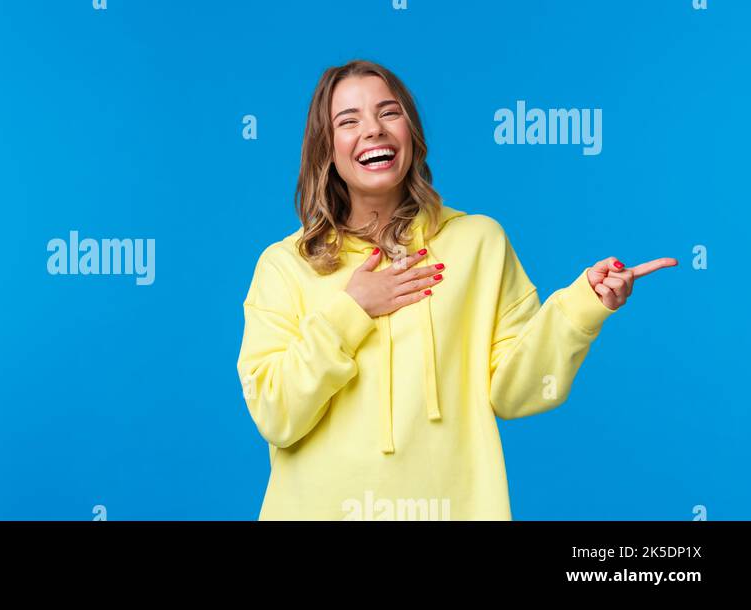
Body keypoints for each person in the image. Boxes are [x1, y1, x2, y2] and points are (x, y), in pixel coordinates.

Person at [236, 59, 676, 520]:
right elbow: (276, 414)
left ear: (412, 131)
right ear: (326, 149)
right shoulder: (285, 265)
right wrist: (352, 310)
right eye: (349, 121)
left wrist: (582, 307)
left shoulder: (479, 242)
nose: (373, 130)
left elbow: (516, 391)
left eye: (389, 113)